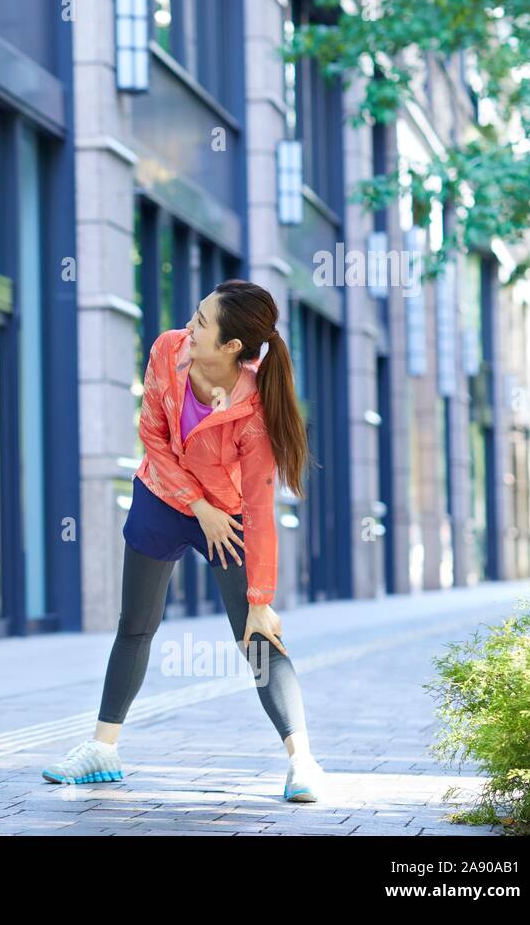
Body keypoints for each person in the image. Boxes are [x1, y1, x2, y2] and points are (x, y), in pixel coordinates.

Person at [41, 279, 328, 802]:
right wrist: (198, 507)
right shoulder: (167, 350)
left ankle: (302, 761)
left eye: (202, 322)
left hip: (230, 515)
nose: (188, 327)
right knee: (135, 626)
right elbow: (151, 434)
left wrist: (261, 600)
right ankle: (102, 749)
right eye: (195, 315)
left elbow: (261, 508)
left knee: (257, 636)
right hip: (164, 497)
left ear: (232, 347)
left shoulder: (256, 407)